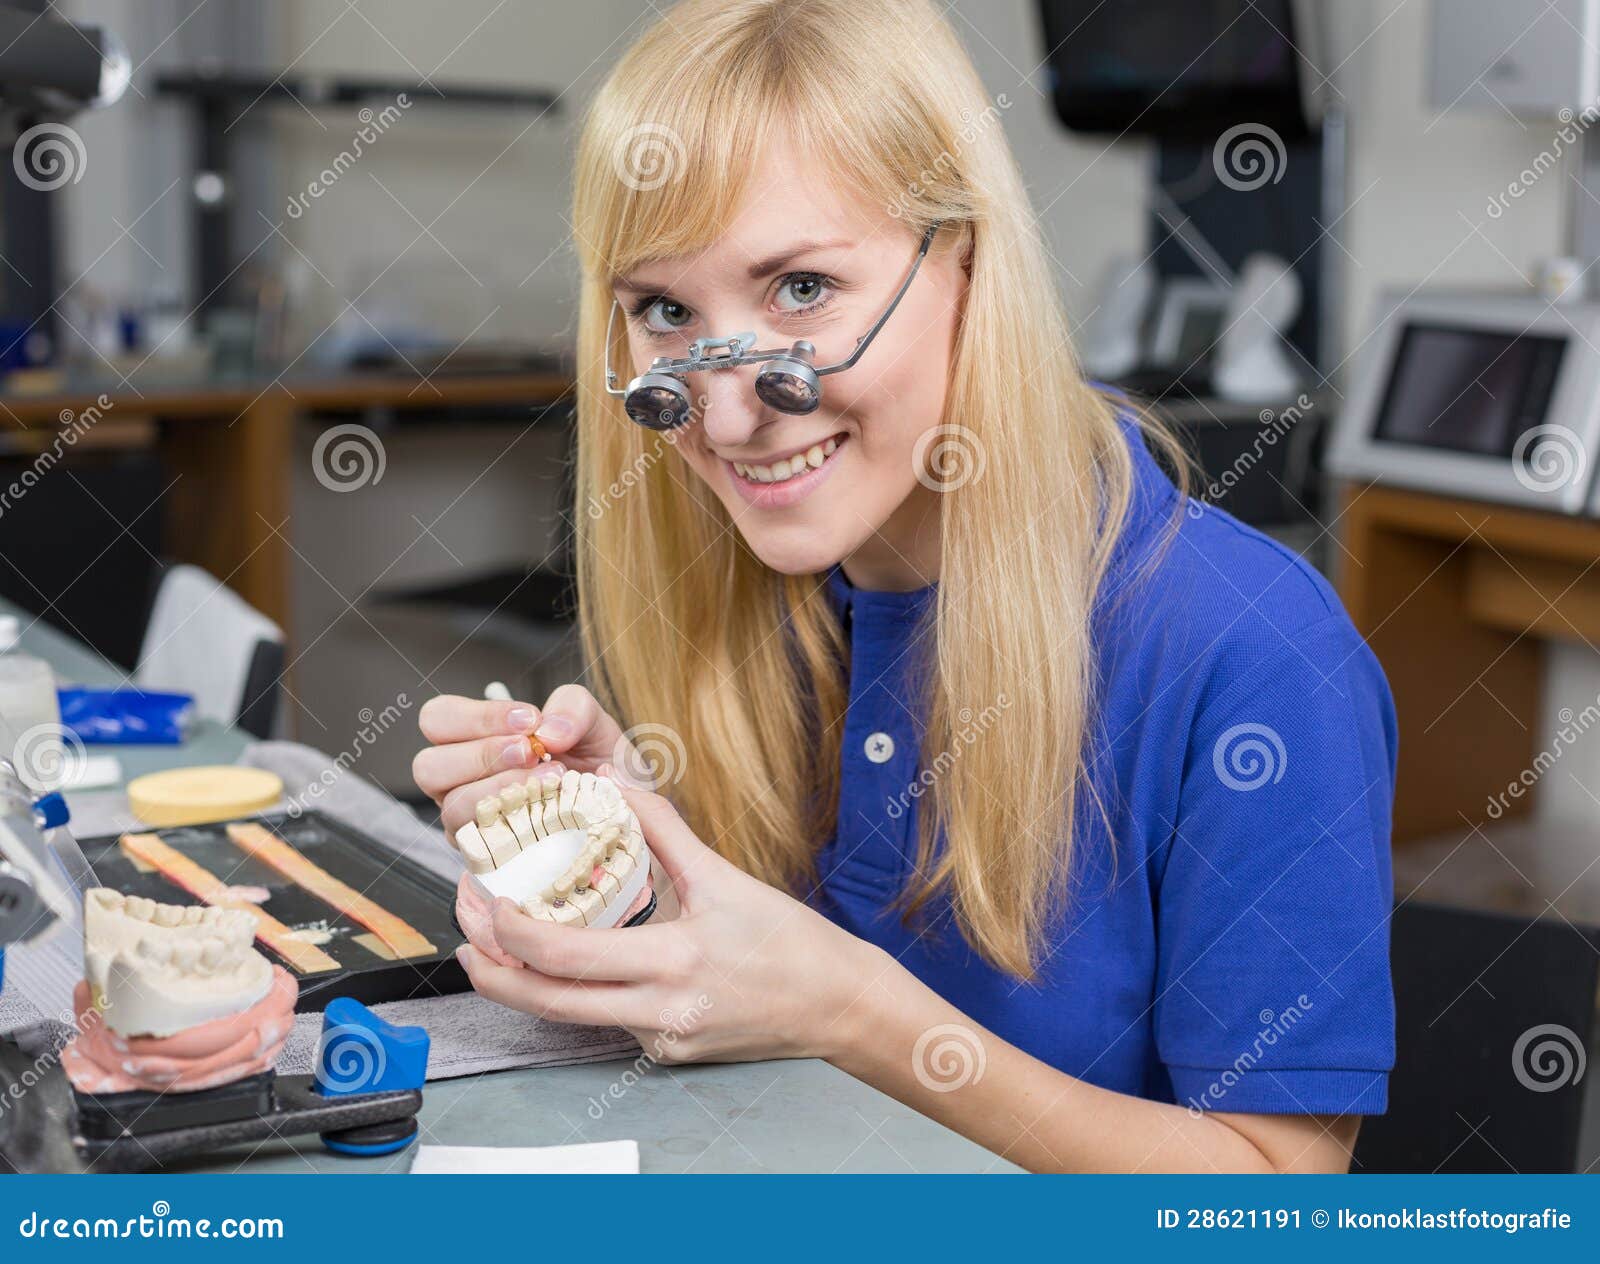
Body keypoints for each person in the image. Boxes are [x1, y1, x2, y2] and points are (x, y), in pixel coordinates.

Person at [412, 0, 1395, 1173]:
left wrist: (857, 1013)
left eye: (802, 290)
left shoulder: (1251, 652)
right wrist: (635, 866)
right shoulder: (766, 585)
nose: (728, 417)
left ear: (970, 262)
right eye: (665, 312)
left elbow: (1276, 1204)